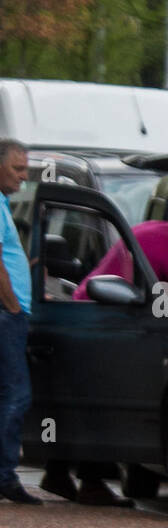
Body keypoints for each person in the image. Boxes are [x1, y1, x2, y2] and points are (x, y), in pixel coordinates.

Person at [40, 220, 168, 507]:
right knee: (105, 401)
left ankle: (57, 473)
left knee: (85, 400)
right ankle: (91, 484)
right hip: (101, 317)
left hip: (93, 309)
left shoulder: (162, 230)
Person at [0, 138, 38, 505]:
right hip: (8, 316)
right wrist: (12, 304)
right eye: (17, 168)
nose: (23, 177)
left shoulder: (4, 203)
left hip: (12, 312)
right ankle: (5, 476)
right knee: (17, 393)